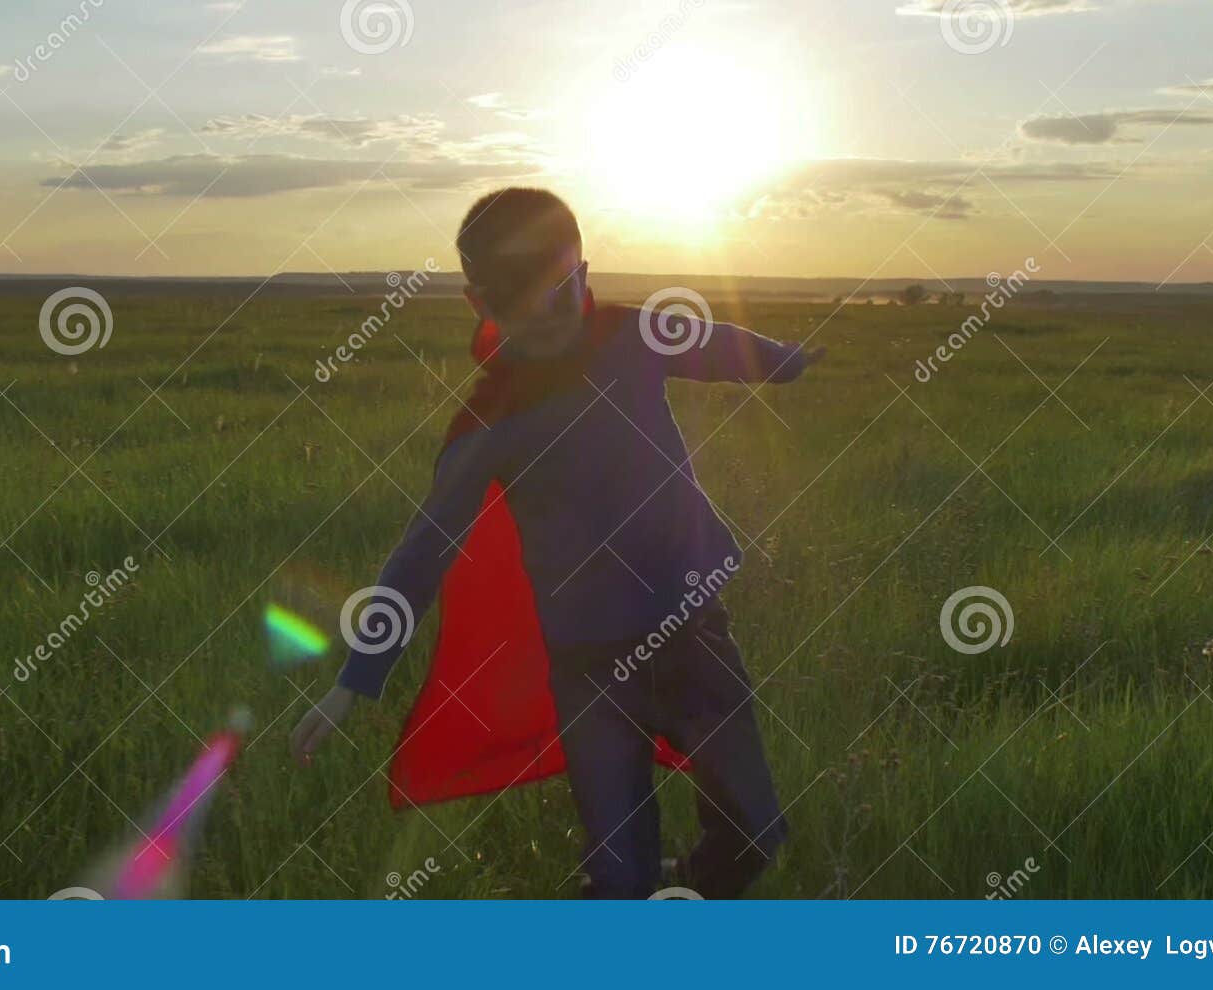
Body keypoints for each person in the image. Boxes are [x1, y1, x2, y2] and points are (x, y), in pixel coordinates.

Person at [290, 187, 824, 898]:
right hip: (589, 671)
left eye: (560, 291)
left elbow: (713, 342)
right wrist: (354, 680)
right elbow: (423, 552)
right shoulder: (489, 424)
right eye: (520, 302)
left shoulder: (626, 335)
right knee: (617, 873)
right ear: (480, 303)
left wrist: (786, 358)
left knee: (758, 830)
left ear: (584, 272)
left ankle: (693, 887)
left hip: (694, 637)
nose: (545, 320)